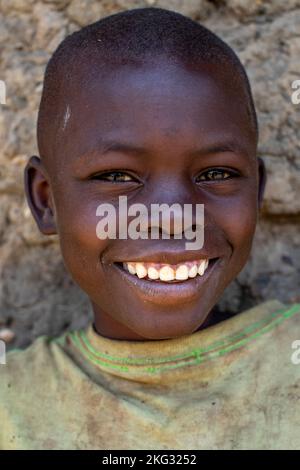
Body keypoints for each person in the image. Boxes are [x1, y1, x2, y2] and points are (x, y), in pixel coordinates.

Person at [0, 7, 299, 450]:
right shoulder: (11, 406)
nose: (172, 217)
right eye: (117, 177)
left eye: (216, 174)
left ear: (256, 194)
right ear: (46, 200)